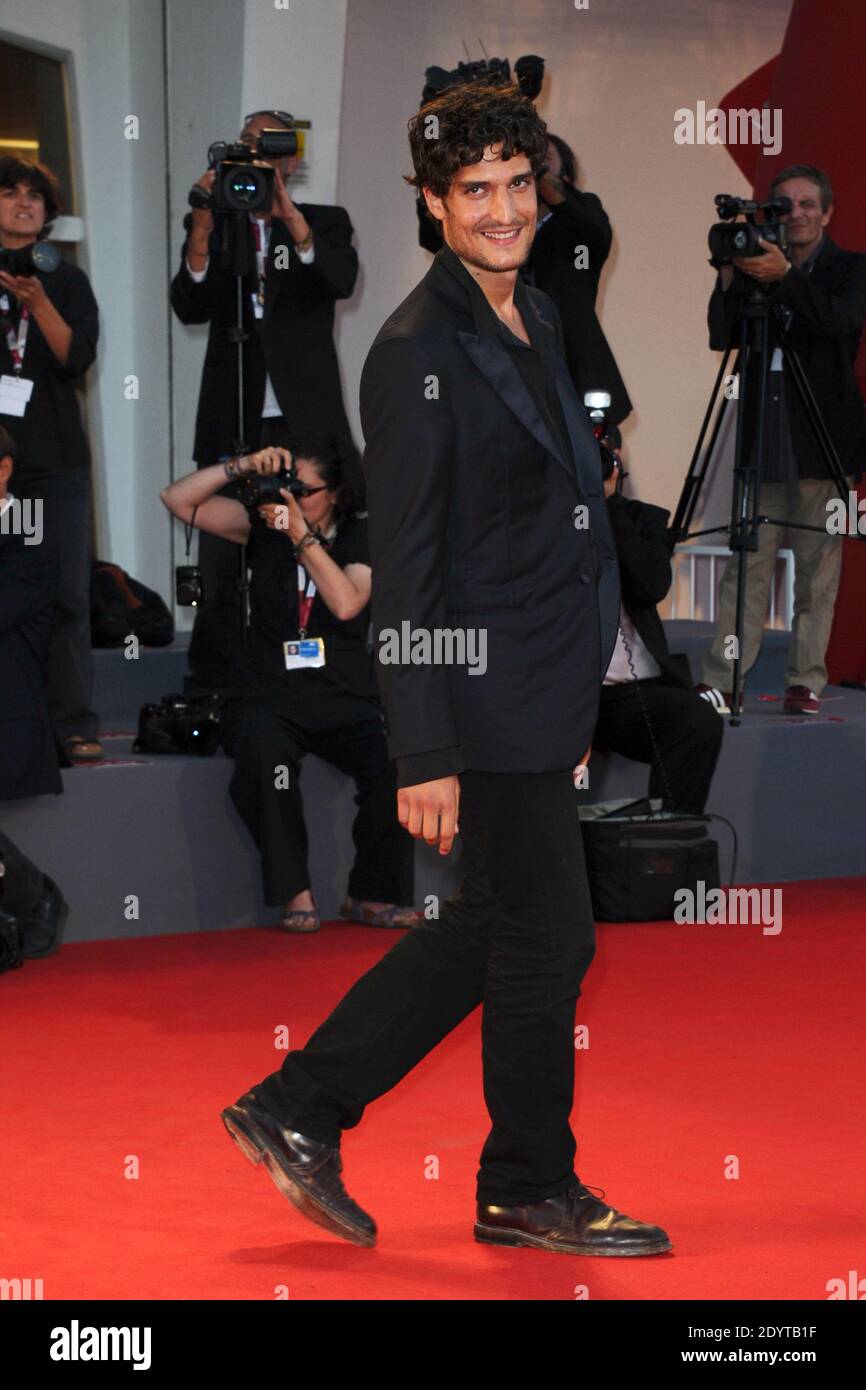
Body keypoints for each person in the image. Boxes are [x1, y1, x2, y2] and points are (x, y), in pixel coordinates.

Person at [220, 83, 671, 1258]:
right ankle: (519, 1180)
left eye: (518, 184)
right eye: (475, 190)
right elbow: (408, 565)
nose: (504, 208)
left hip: (536, 681)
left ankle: (309, 1109)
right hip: (471, 685)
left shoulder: (537, 317)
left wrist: (577, 691)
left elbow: (565, 514)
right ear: (431, 203)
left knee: (503, 922)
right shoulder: (415, 350)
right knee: (544, 935)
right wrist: (421, 747)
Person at [160, 431, 417, 932]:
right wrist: (241, 467)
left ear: (339, 493)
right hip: (266, 691)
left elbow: (346, 602)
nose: (291, 499)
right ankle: (293, 890)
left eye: (306, 490)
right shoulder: (262, 527)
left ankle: (370, 894)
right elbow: (178, 499)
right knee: (265, 754)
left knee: (394, 764)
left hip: (340, 693)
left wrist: (303, 537)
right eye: (285, 487)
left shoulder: (362, 537)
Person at [171, 107, 359, 695]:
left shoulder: (324, 220)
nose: (261, 157)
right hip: (235, 414)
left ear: (292, 159)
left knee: (312, 539)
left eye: (273, 147)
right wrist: (202, 224)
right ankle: (216, 682)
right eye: (250, 145)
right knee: (226, 555)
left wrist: (288, 215)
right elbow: (190, 303)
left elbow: (337, 278)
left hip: (305, 417)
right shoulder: (219, 219)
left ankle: (321, 672)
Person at [698, 164, 866, 717]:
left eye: (807, 205)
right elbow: (721, 335)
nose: (796, 215)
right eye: (785, 206)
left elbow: (839, 326)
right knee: (745, 571)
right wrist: (729, 273)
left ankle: (804, 682)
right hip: (762, 440)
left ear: (827, 212)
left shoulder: (848, 269)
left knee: (817, 573)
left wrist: (784, 277)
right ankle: (723, 680)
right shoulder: (753, 263)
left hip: (822, 442)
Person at [0, 156, 101, 762]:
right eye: (9, 192)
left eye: (34, 195)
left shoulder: (65, 280)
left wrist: (37, 302)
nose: (23, 202)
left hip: (54, 461)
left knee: (66, 594)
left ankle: (72, 723)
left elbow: (75, 358)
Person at [594, 428, 723, 814]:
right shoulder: (546, 518)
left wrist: (610, 506)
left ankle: (668, 847)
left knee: (698, 723)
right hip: (567, 693)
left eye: (607, 456)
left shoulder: (641, 519)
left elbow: (650, 585)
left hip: (629, 695)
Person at [526, 133, 632, 426]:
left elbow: (585, 223)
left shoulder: (583, 222)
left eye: (542, 159)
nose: (530, 167)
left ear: (567, 176)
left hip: (573, 377)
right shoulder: (504, 230)